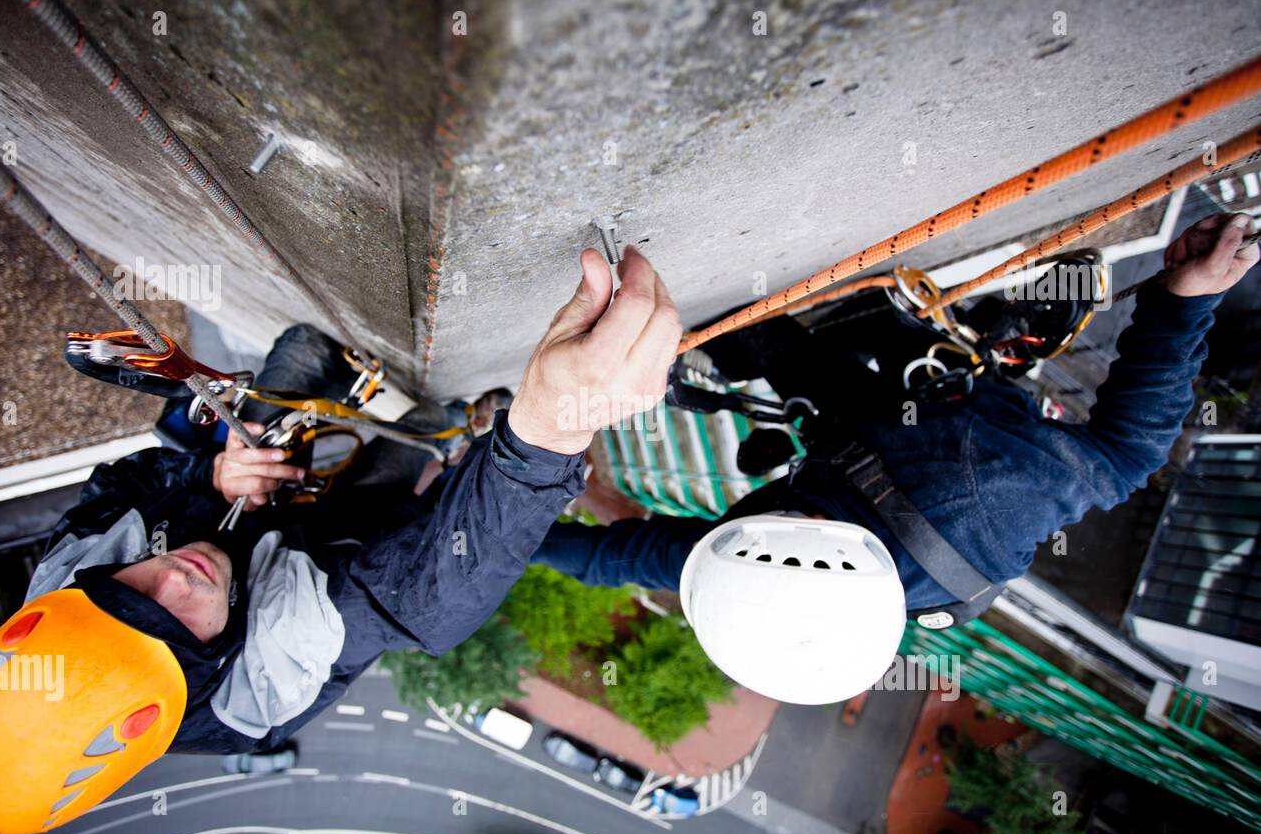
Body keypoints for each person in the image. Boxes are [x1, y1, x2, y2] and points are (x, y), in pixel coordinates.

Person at [0, 246, 681, 834]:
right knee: (418, 453)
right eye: (169, 628)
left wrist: (209, 476)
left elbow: (119, 486)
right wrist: (546, 434)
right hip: (336, 554)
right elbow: (425, 603)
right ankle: (445, 430)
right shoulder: (264, 683)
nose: (172, 578)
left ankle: (398, 410)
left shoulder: (61, 595)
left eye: (125, 591)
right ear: (183, 686)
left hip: (255, 504)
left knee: (303, 355)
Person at [534, 213, 1259, 701]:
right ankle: (1001, 347)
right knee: (880, 351)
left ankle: (745, 332)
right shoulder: (994, 494)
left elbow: (621, 556)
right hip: (946, 429)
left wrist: (499, 527)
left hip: (856, 445)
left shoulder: (752, 574)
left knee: (752, 341)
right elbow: (1129, 451)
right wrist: (1184, 299)